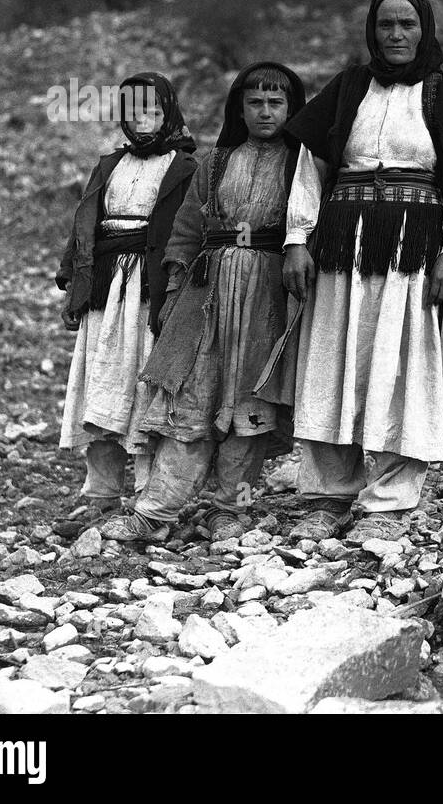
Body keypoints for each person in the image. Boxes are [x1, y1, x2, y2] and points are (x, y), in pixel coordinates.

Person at [276, 0, 443, 543]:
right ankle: (330, 490)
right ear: (371, 32)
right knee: (334, 357)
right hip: (342, 243)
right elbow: (311, 167)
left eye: (407, 24)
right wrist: (297, 238)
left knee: (406, 362)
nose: (396, 34)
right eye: (385, 24)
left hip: (412, 246)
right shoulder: (350, 87)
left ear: (424, 29)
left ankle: (392, 497)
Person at [101, 62, 305, 543]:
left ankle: (228, 507)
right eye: (254, 102)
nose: (265, 112)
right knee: (189, 392)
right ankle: (155, 512)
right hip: (206, 289)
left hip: (269, 292)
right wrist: (173, 291)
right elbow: (187, 231)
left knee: (250, 398)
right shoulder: (215, 162)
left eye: (277, 103)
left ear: (292, 108)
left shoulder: (305, 166)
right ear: (239, 108)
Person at [54, 73, 197, 537]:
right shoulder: (109, 165)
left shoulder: (186, 168)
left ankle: (148, 496)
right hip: (106, 287)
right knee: (101, 384)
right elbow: (85, 223)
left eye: (154, 111)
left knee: (141, 385)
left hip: (149, 291)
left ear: (170, 114)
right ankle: (100, 492)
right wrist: (72, 276)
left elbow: (190, 229)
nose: (144, 121)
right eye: (134, 112)